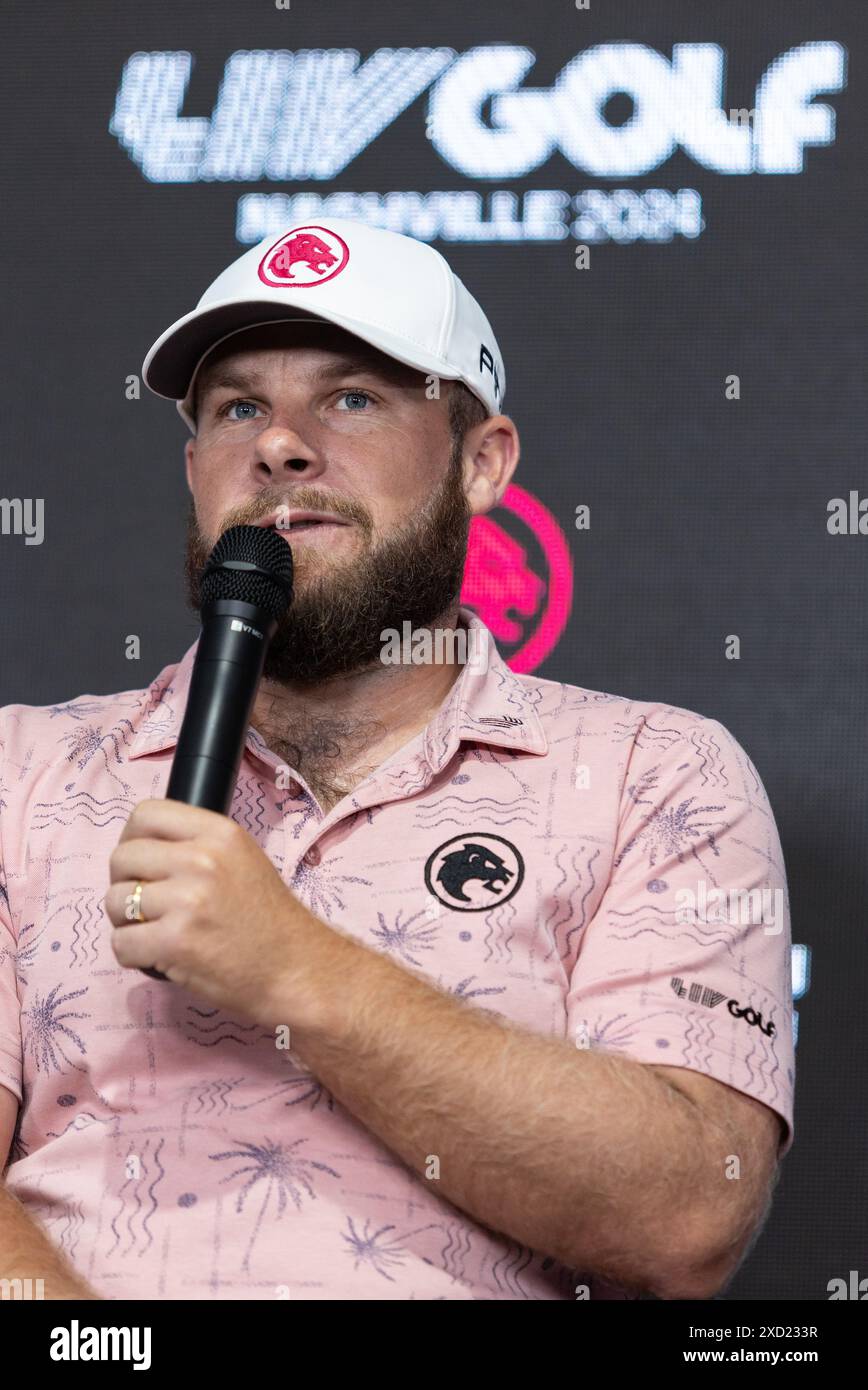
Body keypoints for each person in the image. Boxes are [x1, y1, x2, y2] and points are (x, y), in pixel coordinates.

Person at [0, 219, 793, 1301]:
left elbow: (692, 1214)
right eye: (239, 408)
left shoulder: (655, 774)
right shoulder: (23, 769)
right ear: (195, 473)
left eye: (351, 398)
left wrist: (291, 967)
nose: (279, 446)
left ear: (481, 464)